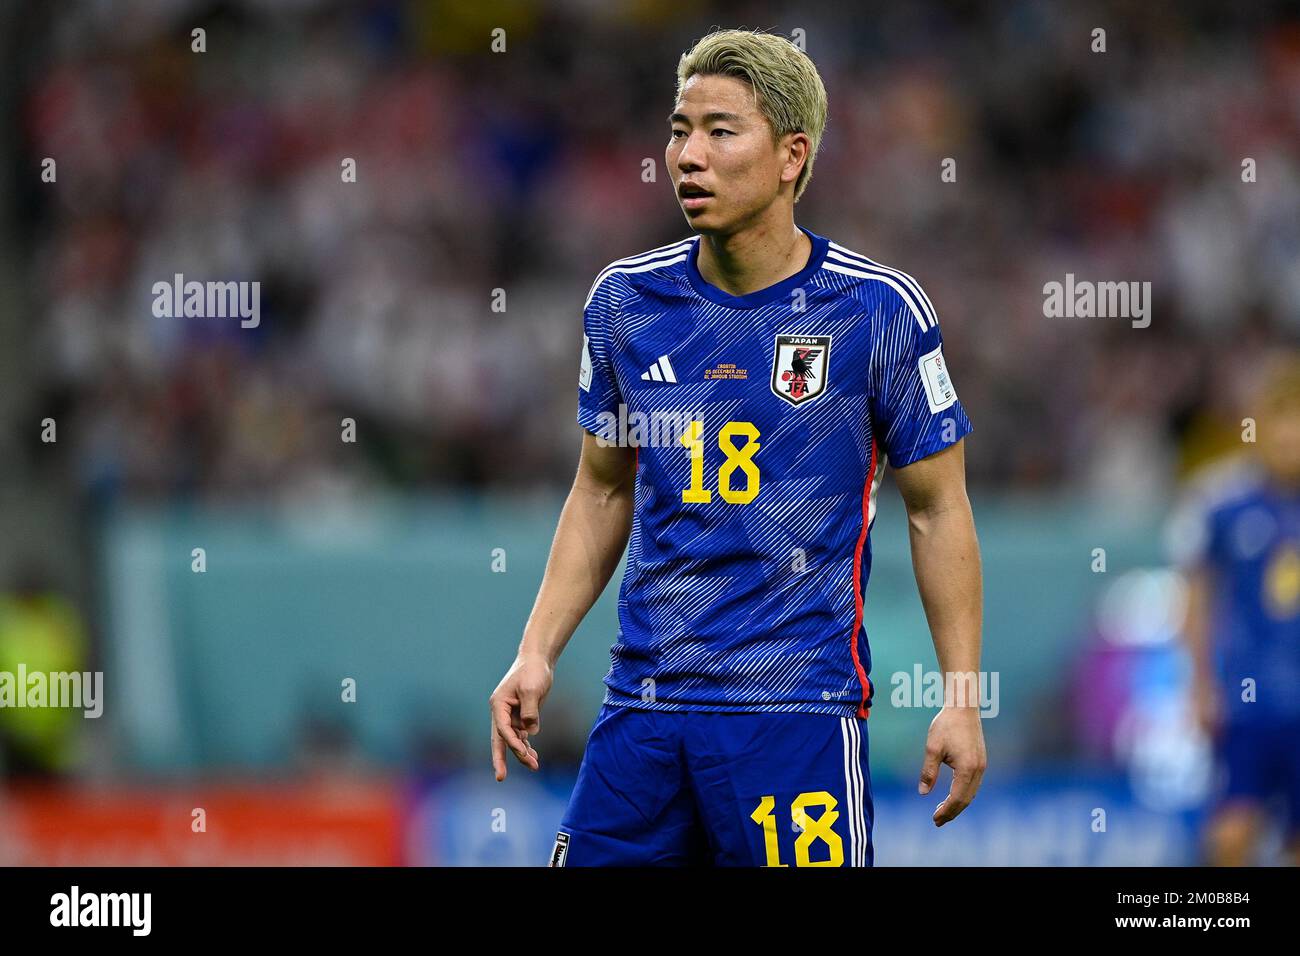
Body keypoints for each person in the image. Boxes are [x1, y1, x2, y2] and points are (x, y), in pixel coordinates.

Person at [490, 28, 986, 866]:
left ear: (792, 155)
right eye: (680, 129)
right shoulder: (625, 303)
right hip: (642, 709)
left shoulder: (876, 311)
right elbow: (602, 489)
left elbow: (938, 507)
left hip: (795, 711)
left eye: (721, 131)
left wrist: (962, 697)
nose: (687, 154)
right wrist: (535, 652)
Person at [1179, 356, 1300, 865]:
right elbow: (1196, 597)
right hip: (1247, 702)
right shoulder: (1221, 501)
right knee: (1231, 833)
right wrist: (1200, 684)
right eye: (1281, 421)